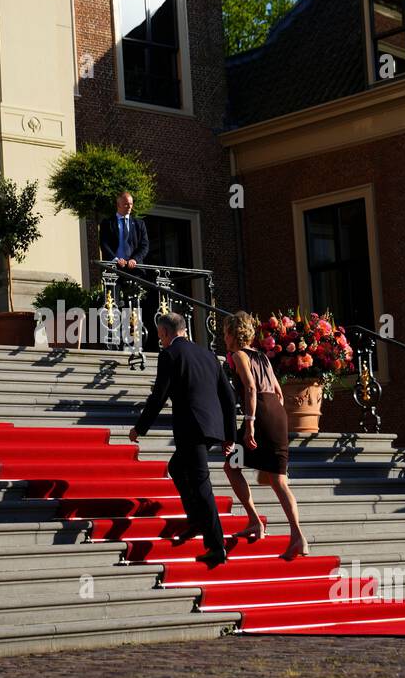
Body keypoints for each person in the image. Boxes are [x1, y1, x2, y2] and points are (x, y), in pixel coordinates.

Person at [129, 312, 237, 565]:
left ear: (166, 333)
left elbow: (159, 396)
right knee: (177, 467)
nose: (161, 342)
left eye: (160, 337)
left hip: (192, 427)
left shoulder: (170, 355)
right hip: (212, 426)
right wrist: (229, 435)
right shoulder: (209, 355)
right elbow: (229, 398)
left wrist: (140, 428)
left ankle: (217, 546)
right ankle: (196, 521)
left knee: (201, 483)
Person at [221, 311, 310, 560]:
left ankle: (255, 520)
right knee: (279, 480)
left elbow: (250, 387)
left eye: (226, 332)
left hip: (260, 413)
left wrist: (250, 423)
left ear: (233, 334)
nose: (224, 337)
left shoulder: (238, 355)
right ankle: (297, 536)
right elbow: (279, 393)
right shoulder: (262, 356)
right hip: (276, 412)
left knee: (231, 465)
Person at [99, 190, 150, 270]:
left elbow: (144, 246)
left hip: (135, 270)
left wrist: (135, 259)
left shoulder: (139, 224)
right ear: (118, 205)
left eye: (131, 204)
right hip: (114, 269)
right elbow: (104, 244)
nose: (129, 207)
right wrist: (116, 260)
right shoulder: (107, 223)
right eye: (126, 204)